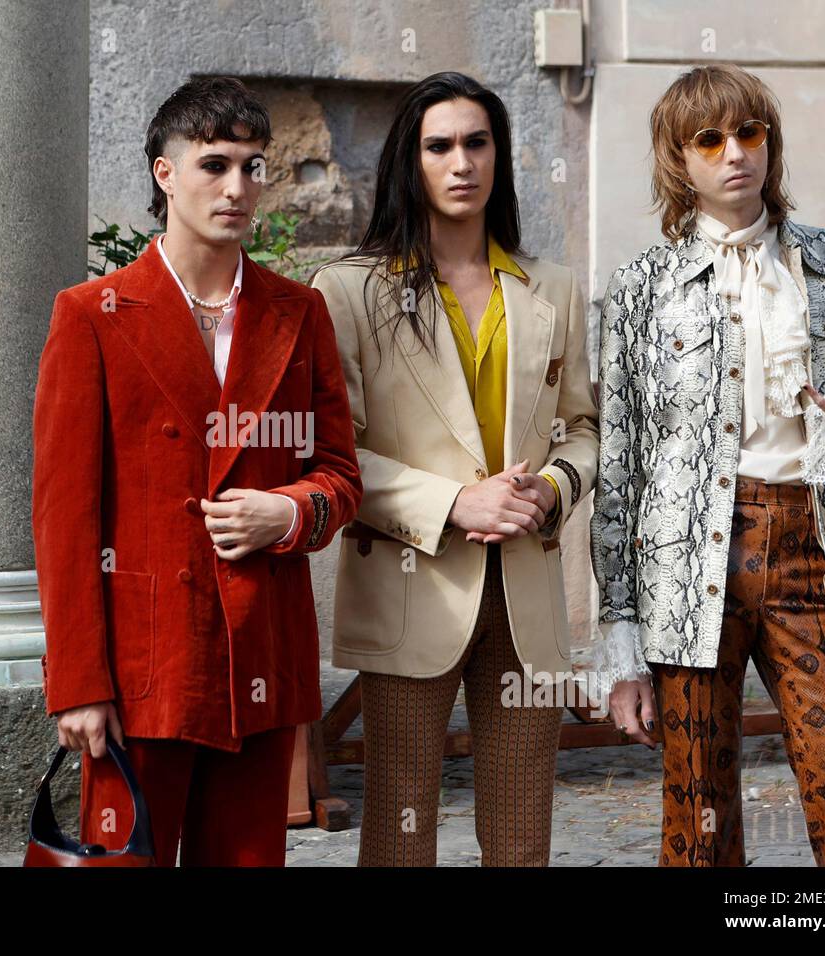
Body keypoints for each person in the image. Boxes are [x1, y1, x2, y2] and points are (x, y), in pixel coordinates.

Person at [32, 76, 362, 867]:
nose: (238, 187)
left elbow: (340, 474)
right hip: (144, 664)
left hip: (261, 652)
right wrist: (77, 681)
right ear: (164, 173)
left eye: (253, 167)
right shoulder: (92, 314)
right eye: (215, 165)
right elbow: (63, 516)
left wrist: (290, 513)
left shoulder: (298, 311)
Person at [591, 64, 825, 866]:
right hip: (686, 562)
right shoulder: (639, 290)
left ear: (770, 142)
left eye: (750, 133)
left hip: (811, 548)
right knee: (697, 813)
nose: (736, 153)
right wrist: (620, 631)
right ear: (678, 160)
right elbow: (620, 467)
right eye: (710, 139)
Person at [312, 71, 599, 866]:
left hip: (527, 598)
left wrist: (551, 486)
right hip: (411, 586)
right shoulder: (349, 290)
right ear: (412, 161)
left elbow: (584, 428)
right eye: (439, 145)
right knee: (401, 835)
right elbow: (332, 453)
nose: (462, 161)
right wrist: (453, 502)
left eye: (478, 143)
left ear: (499, 157)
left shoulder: (555, 289)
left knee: (521, 839)